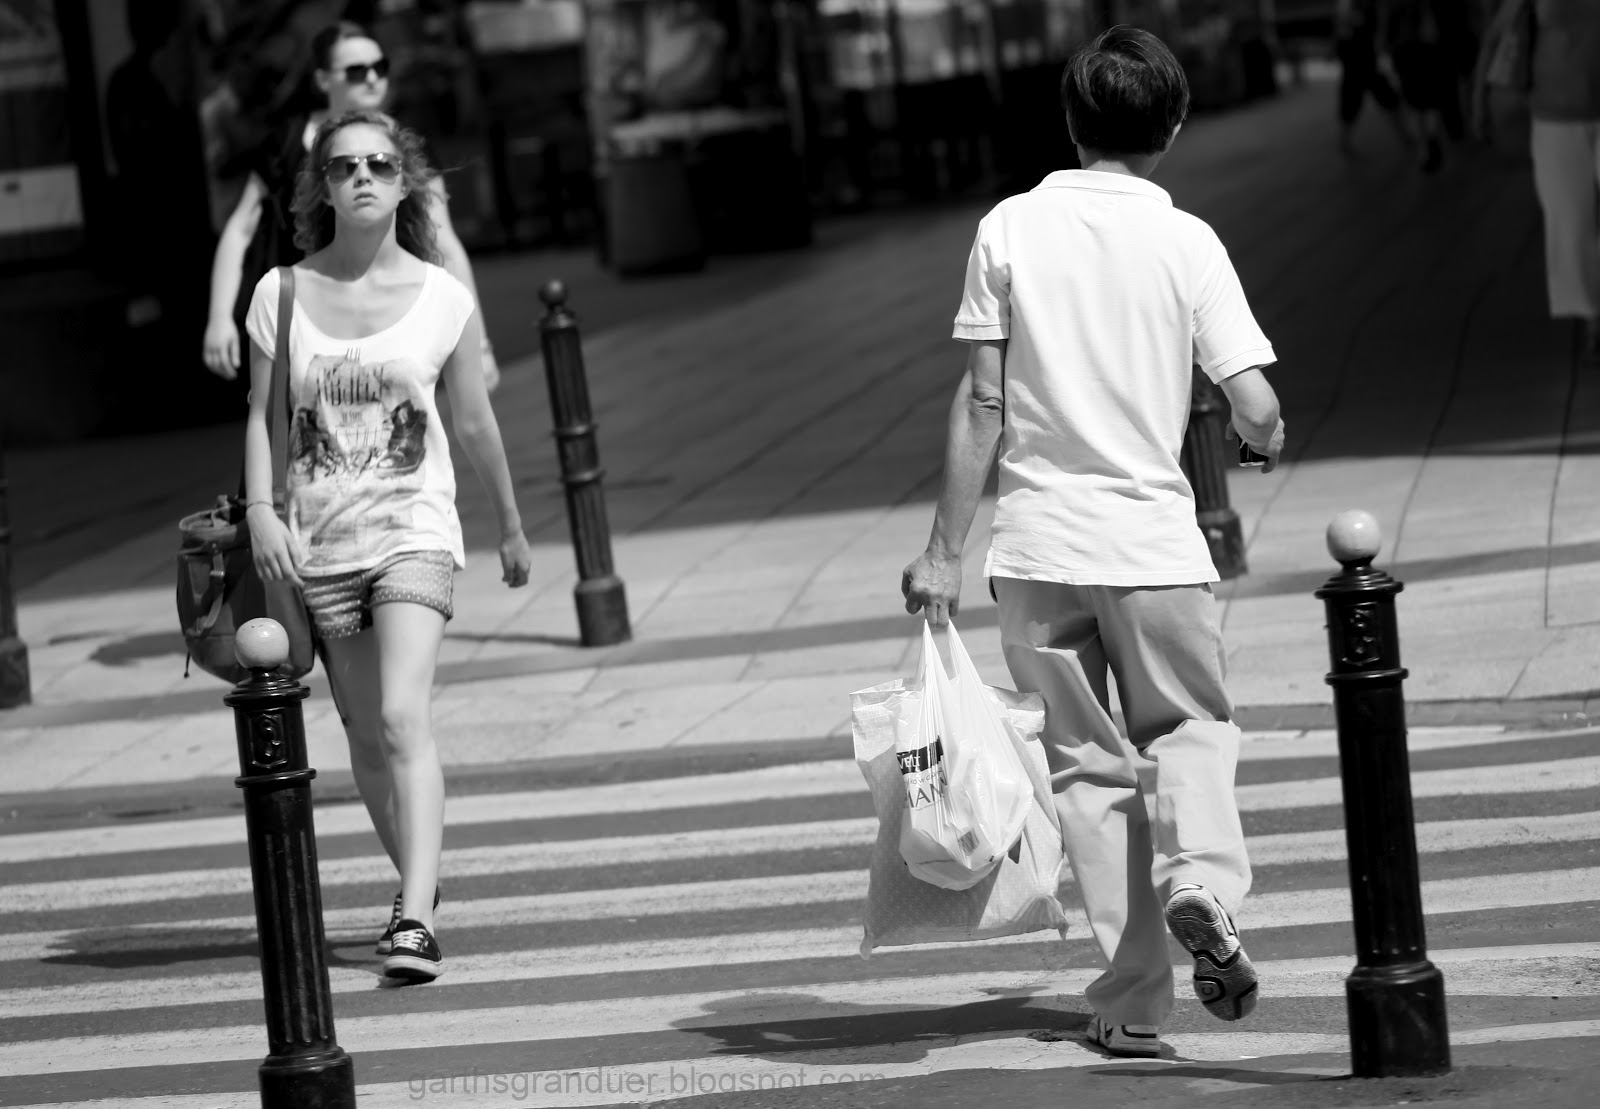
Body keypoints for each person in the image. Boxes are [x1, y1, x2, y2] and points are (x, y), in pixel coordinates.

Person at [901, 26, 1284, 1058]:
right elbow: (1249, 399)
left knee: (1086, 769)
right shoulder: (1186, 239)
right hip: (1152, 544)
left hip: (1035, 549)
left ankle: (1128, 1000)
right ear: (1172, 126)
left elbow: (982, 401)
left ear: (1069, 123)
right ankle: (1199, 874)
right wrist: (1262, 437)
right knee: (1192, 728)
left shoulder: (1008, 229)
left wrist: (942, 549)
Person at [242, 109, 532, 982]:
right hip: (319, 540)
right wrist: (261, 508)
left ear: (404, 182)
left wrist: (511, 522)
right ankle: (420, 878)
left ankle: (412, 917)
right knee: (366, 735)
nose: (361, 176)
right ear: (320, 187)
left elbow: (473, 421)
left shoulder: (444, 298)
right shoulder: (278, 295)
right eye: (342, 167)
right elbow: (263, 419)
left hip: (414, 531)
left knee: (404, 716)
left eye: (378, 163)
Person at [204, 21, 501, 391]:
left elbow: (445, 244)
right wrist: (219, 318)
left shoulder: (406, 144)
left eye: (381, 67)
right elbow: (239, 229)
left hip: (393, 323)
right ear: (323, 79)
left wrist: (480, 345)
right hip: (308, 325)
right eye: (357, 71)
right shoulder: (288, 142)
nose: (373, 78)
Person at [1475, 0, 1600, 359]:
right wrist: (1478, 99)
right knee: (1570, 222)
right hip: (1556, 115)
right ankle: (1595, 320)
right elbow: (1496, 34)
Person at [1333, 0, 1413, 157]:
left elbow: (1377, 33)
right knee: (1350, 109)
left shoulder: (1367, 7)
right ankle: (1344, 143)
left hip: (1367, 67)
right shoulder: (1347, 7)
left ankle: (1405, 136)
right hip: (1355, 69)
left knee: (1391, 102)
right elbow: (1343, 34)